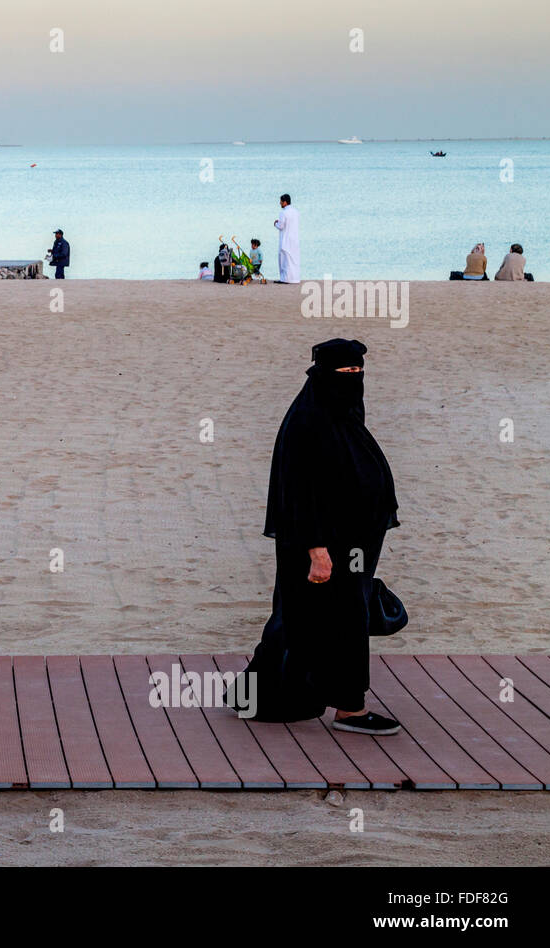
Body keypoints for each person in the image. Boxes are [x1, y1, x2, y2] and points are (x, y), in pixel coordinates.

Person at [237, 338, 403, 734]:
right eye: (346, 372)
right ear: (323, 375)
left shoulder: (341, 409)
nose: (355, 378)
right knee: (342, 617)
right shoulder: (308, 420)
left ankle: (253, 695)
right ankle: (350, 710)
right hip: (324, 545)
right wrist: (317, 551)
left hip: (351, 542)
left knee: (299, 616)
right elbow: (297, 492)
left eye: (359, 372)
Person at [273, 194, 300, 283]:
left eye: (281, 201)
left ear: (285, 202)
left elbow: (281, 226)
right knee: (293, 259)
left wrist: (275, 223)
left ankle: (284, 278)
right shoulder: (295, 211)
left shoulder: (283, 212)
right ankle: (294, 278)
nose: (280, 203)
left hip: (285, 239)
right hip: (294, 239)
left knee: (284, 259)